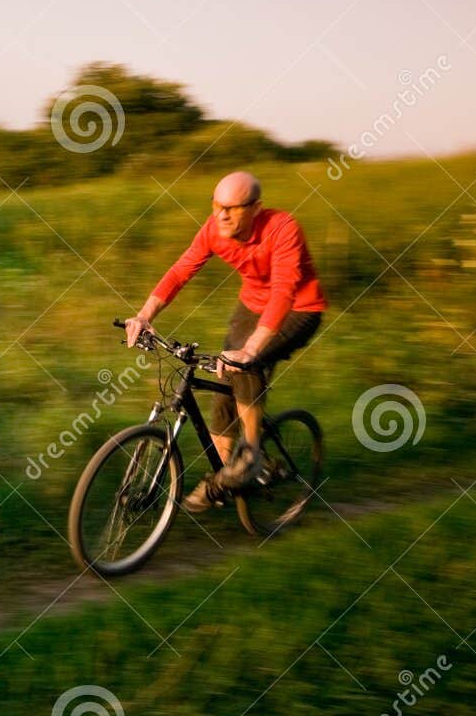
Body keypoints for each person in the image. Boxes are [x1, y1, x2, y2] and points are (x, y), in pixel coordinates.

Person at [124, 171, 326, 512]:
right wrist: (144, 315)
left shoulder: (282, 228)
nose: (222, 215)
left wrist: (251, 348)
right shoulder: (214, 230)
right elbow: (180, 271)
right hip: (251, 306)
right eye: (217, 206)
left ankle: (249, 455)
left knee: (245, 365)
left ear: (256, 208)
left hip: (299, 308)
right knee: (224, 381)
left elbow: (283, 291)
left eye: (232, 208)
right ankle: (222, 475)